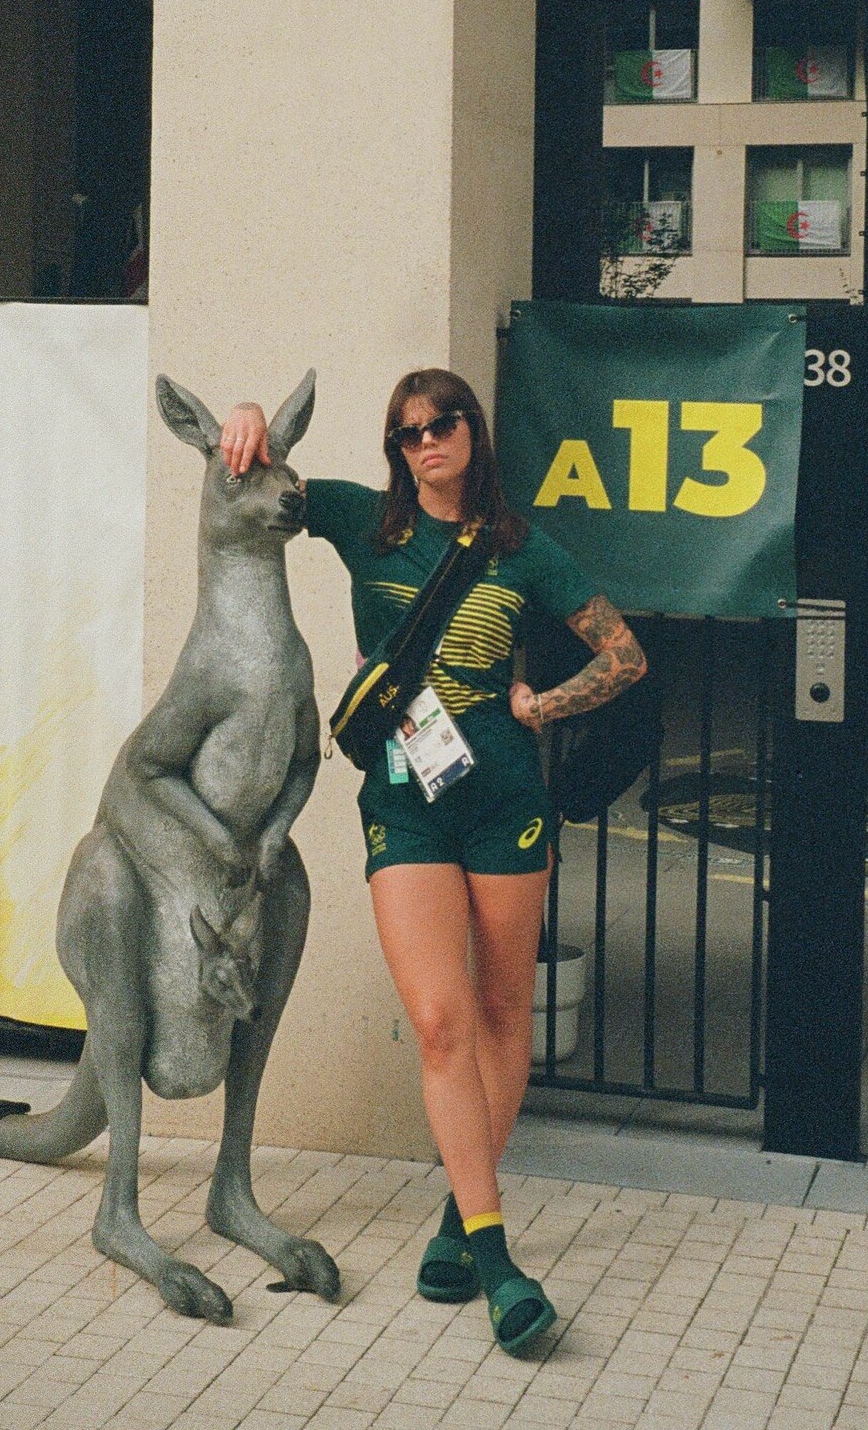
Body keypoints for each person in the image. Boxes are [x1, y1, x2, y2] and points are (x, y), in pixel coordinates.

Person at [220, 368, 646, 1355]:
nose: (423, 442)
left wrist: (545, 704)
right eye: (405, 432)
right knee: (442, 1024)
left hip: (505, 805)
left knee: (502, 1013)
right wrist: (243, 421)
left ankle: (461, 1218)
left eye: (439, 424)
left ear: (471, 433)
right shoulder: (365, 523)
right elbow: (265, 482)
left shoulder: (517, 549)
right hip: (405, 810)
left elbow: (622, 655)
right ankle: (498, 1261)